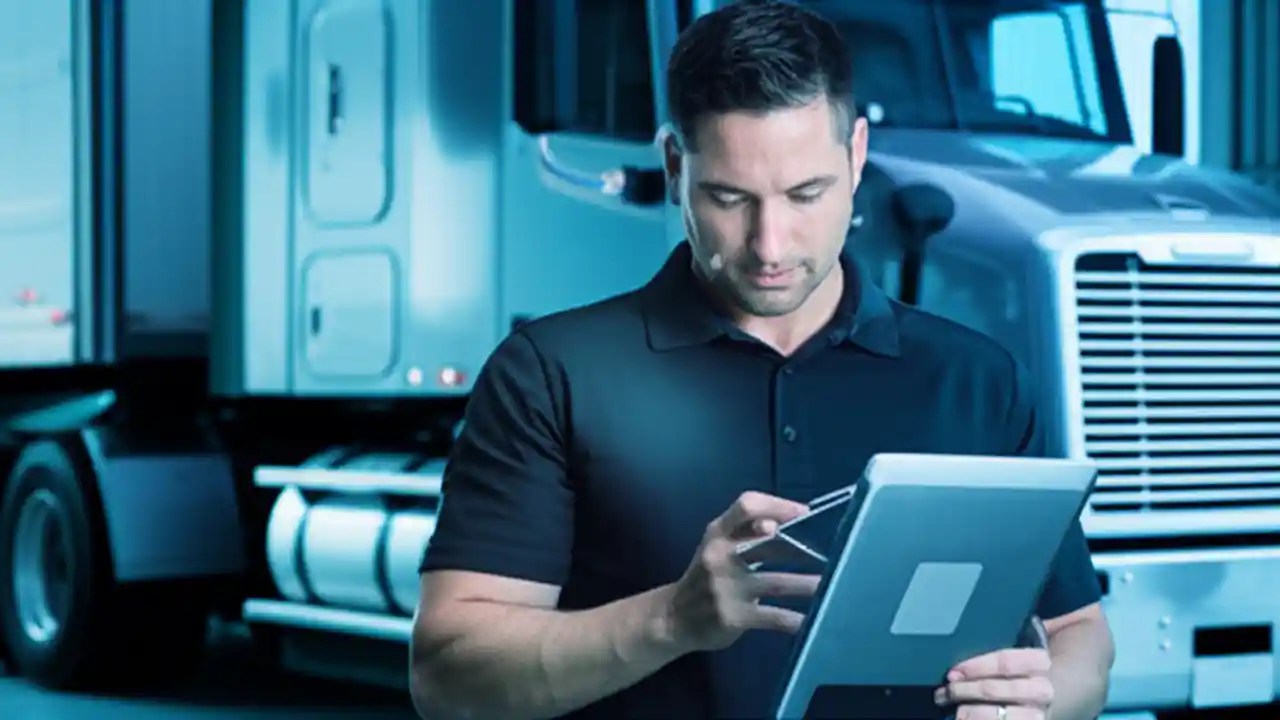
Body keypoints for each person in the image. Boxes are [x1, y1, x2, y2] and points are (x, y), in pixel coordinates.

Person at [409, 1, 1114, 718]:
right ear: (675, 164)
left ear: (857, 154)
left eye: (806, 194)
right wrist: (670, 620)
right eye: (728, 198)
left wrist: (1043, 701)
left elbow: (1079, 636)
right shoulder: (549, 376)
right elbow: (447, 677)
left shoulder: (979, 383)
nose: (770, 245)